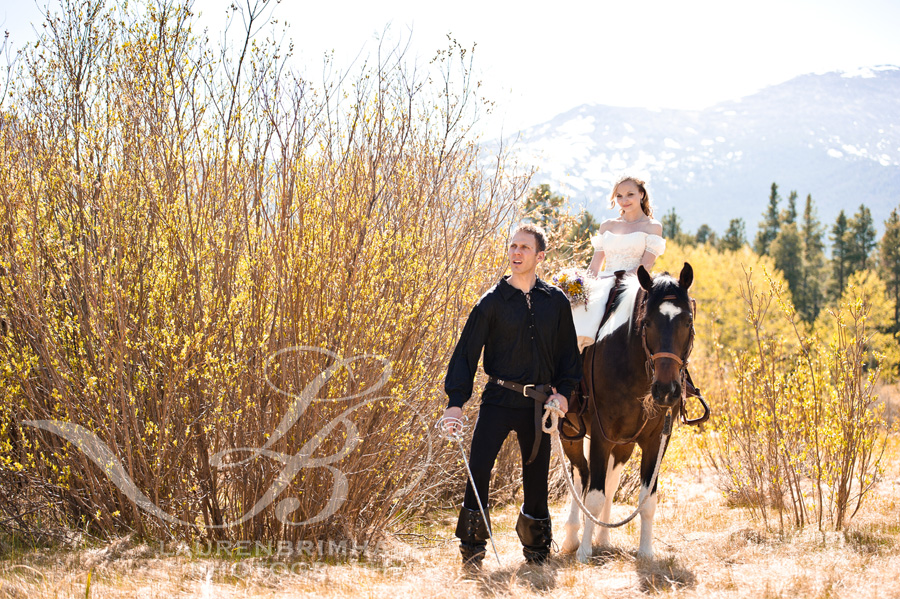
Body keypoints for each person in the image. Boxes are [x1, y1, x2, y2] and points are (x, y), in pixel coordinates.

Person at [441, 223, 582, 569]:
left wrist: (563, 394)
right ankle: (472, 547)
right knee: (480, 468)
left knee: (536, 477)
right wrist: (455, 404)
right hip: (498, 400)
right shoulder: (491, 302)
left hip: (539, 405)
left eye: (524, 248)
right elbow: (465, 354)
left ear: (540, 256)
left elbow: (568, 356)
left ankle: (536, 551)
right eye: (513, 246)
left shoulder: (556, 302)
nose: (516, 253)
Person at [570, 175, 665, 351]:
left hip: (633, 284)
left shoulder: (652, 227)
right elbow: (595, 266)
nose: (624, 200)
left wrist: (616, 282)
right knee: (574, 311)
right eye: (619, 196)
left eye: (630, 194)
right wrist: (581, 286)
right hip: (603, 282)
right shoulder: (608, 226)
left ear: (642, 194)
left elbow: (644, 267)